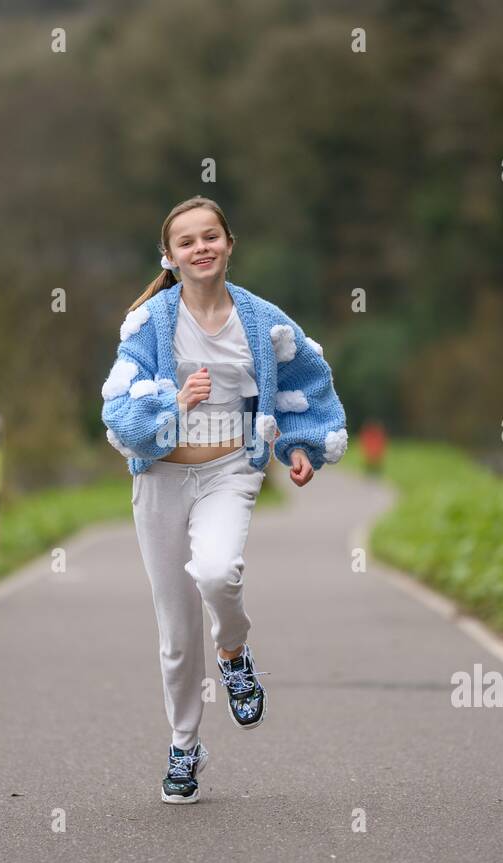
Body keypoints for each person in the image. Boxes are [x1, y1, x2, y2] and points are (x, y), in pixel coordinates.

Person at [100, 196, 348, 804]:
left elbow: (309, 382)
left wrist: (299, 443)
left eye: (211, 236)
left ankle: (234, 652)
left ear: (230, 244)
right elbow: (118, 417)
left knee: (218, 571)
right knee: (177, 632)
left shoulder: (263, 322)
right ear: (170, 256)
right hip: (160, 478)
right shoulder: (149, 324)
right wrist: (174, 402)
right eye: (186, 241)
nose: (200, 248)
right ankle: (185, 747)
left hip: (230, 470)